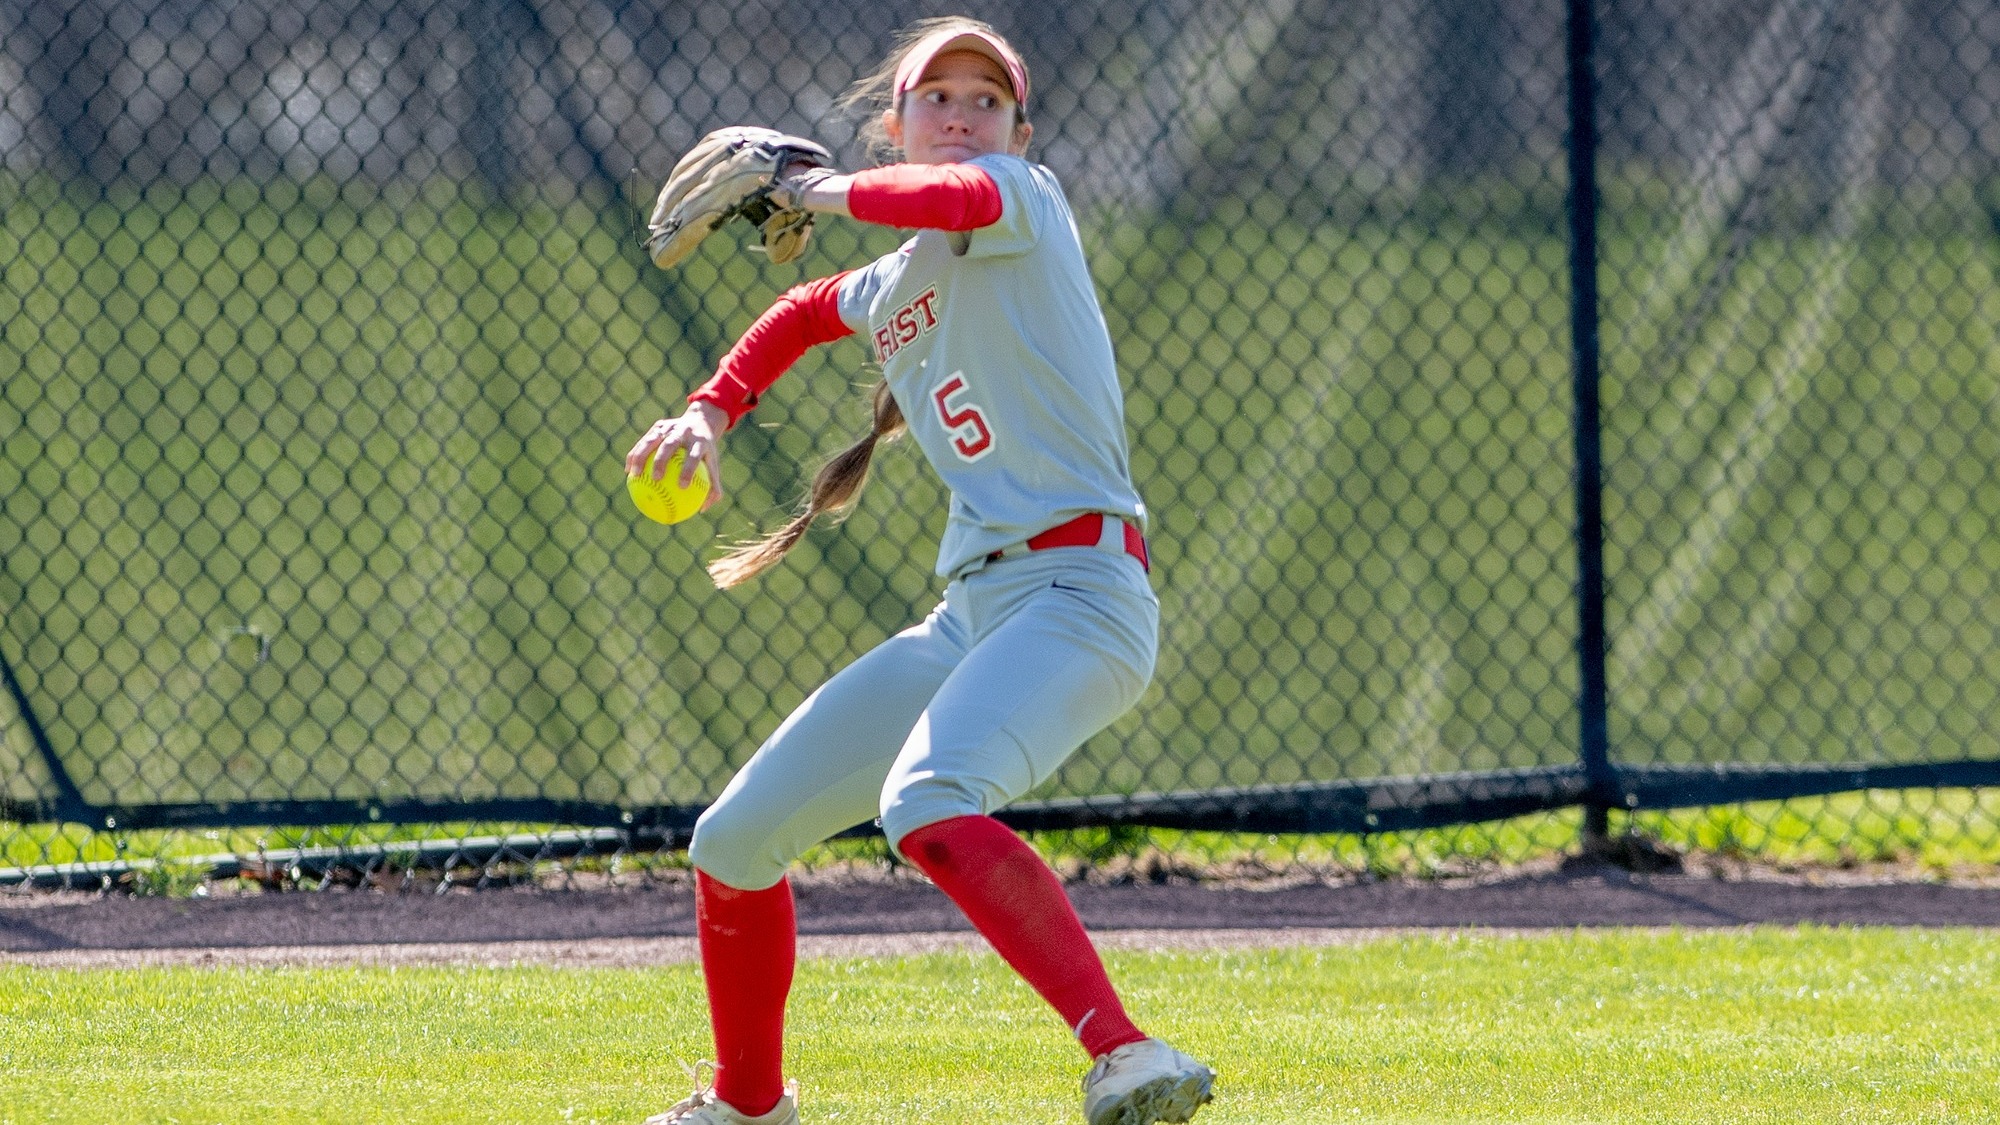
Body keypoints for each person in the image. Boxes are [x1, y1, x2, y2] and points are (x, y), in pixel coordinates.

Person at [624, 17, 1216, 1125]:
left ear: (1016, 129)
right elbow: (802, 312)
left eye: (982, 99)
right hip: (975, 611)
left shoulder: (1020, 202)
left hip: (1079, 595)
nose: (958, 112)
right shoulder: (894, 281)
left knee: (930, 802)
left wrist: (820, 191)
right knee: (734, 842)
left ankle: (1126, 1054)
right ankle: (749, 1107)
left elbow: (953, 201)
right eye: (933, 96)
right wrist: (707, 412)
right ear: (892, 122)